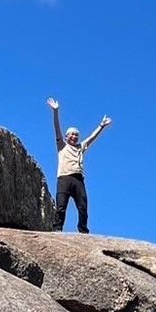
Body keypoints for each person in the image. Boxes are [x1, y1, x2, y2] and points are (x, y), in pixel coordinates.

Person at [47, 98, 112, 234]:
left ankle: (83, 230)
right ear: (66, 136)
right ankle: (57, 229)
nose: (74, 136)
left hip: (78, 179)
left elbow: (92, 138)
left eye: (77, 134)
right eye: (72, 134)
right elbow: (57, 129)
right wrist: (56, 111)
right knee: (61, 206)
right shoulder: (62, 145)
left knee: (83, 207)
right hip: (64, 178)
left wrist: (102, 125)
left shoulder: (81, 147)